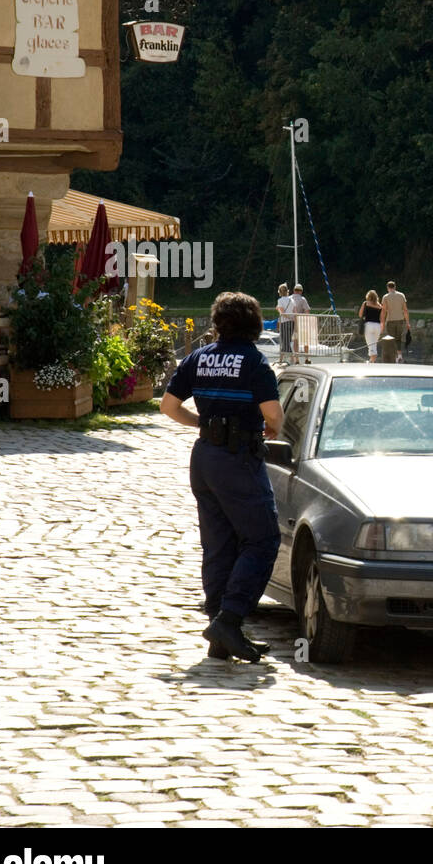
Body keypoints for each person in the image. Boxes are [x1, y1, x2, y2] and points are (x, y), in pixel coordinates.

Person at [159, 292, 283, 662]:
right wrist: (270, 426)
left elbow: (168, 406)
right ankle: (229, 620)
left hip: (205, 458)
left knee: (218, 545)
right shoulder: (254, 363)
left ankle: (220, 635)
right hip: (238, 459)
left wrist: (204, 424)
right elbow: (274, 417)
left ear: (218, 323)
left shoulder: (199, 357)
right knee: (262, 540)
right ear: (254, 324)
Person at [383, 281, 409, 363]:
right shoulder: (401, 295)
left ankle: (393, 357)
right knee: (398, 339)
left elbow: (384, 311)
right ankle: (400, 356)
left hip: (390, 320)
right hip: (400, 320)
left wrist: (382, 322)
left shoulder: (386, 297)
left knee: (391, 339)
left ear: (388, 288)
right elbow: (405, 309)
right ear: (395, 287)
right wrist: (407, 322)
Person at [359, 290, 384, 362]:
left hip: (369, 325)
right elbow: (382, 318)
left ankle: (372, 360)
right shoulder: (380, 306)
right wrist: (382, 327)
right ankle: (371, 360)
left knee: (370, 344)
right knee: (374, 344)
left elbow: (360, 314)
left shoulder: (365, 303)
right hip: (377, 326)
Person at [289, 283, 311, 364]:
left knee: (295, 341)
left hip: (291, 322)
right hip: (301, 322)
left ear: (294, 290)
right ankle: (307, 358)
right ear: (301, 291)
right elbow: (307, 311)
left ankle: (297, 360)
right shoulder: (303, 299)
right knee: (305, 341)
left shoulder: (289, 298)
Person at [275, 283, 294, 364]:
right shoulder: (291, 300)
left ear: (279, 292)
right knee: (286, 341)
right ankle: (281, 359)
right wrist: (292, 318)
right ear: (287, 291)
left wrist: (279, 310)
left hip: (284, 322)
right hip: (292, 323)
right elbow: (294, 311)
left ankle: (292, 359)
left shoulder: (280, 300)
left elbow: (282, 313)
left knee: (285, 342)